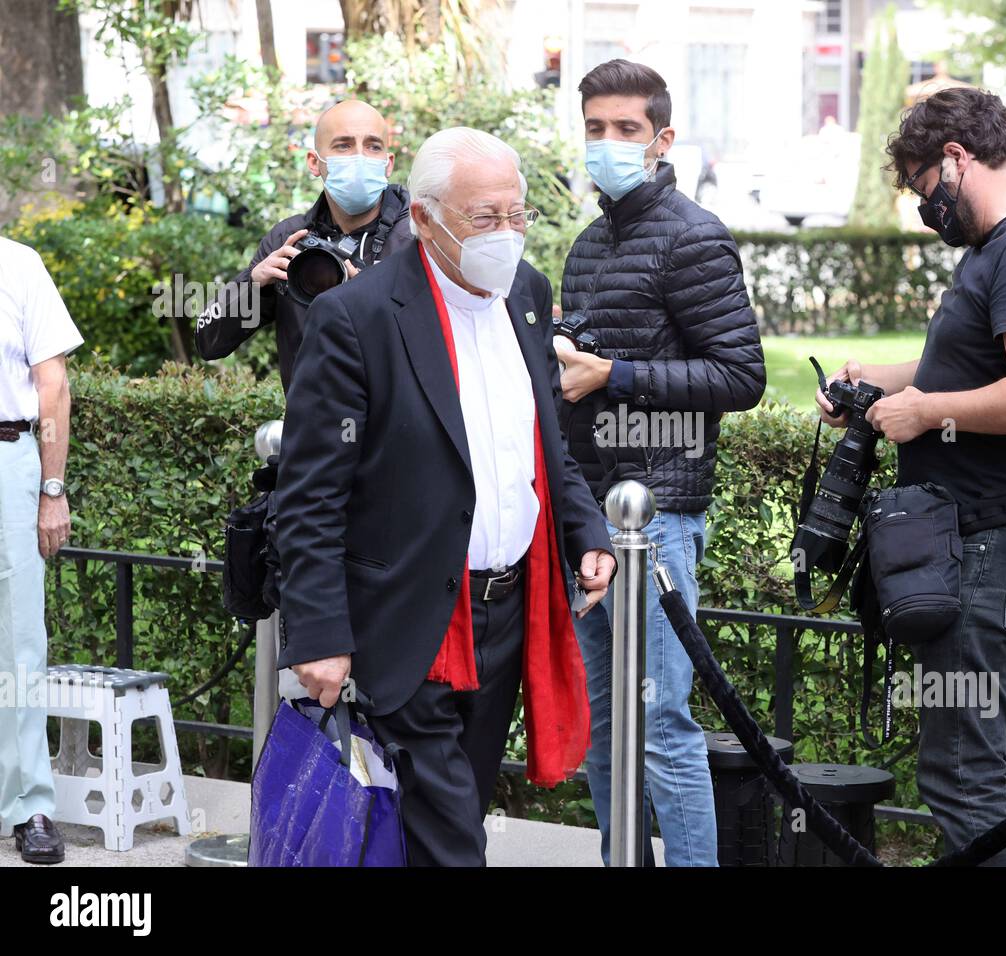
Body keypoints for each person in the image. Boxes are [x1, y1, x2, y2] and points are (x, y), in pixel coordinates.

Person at [275, 127, 615, 866]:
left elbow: (543, 440)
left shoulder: (526, 295)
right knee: (452, 842)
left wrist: (586, 530)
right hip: (413, 619)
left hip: (508, 613)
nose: (506, 235)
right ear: (424, 220)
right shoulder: (356, 317)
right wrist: (320, 634)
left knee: (448, 820)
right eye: (483, 218)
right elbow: (309, 495)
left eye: (517, 216)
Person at [816, 88, 1006, 866]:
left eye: (920, 187)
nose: (923, 207)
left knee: (960, 777)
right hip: (998, 540)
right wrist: (879, 381)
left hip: (994, 544)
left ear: (956, 158)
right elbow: (970, 364)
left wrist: (923, 412)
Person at [558, 59, 766, 867]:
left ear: (662, 138)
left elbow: (741, 378)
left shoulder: (694, 235)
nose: (607, 144)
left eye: (626, 130)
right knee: (603, 725)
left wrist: (616, 375)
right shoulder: (588, 242)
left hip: (661, 517)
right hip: (596, 523)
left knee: (661, 728)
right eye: (595, 129)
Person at [195, 99, 413, 390]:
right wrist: (253, 285)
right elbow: (209, 341)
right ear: (314, 162)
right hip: (315, 427)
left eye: (373, 146)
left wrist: (368, 298)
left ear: (388, 163)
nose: (360, 157)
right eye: (343, 146)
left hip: (398, 429)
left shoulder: (418, 239)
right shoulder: (290, 240)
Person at [0, 236, 83, 864]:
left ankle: (30, 806)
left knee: (19, 640)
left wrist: (52, 490)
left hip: (9, 457)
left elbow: (51, 382)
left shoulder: (18, 263)